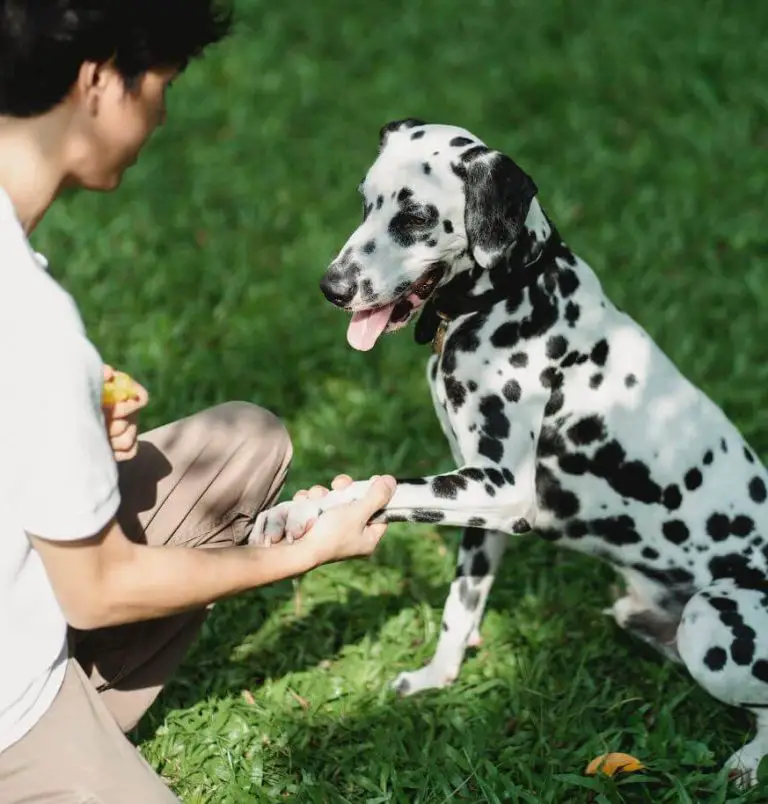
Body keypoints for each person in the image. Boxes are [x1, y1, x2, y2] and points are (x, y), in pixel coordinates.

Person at [0, 1, 396, 801]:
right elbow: (99, 590)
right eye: (163, 85)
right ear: (98, 81)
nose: (162, 116)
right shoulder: (33, 324)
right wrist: (302, 555)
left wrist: (69, 417)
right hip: (13, 703)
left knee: (243, 443)